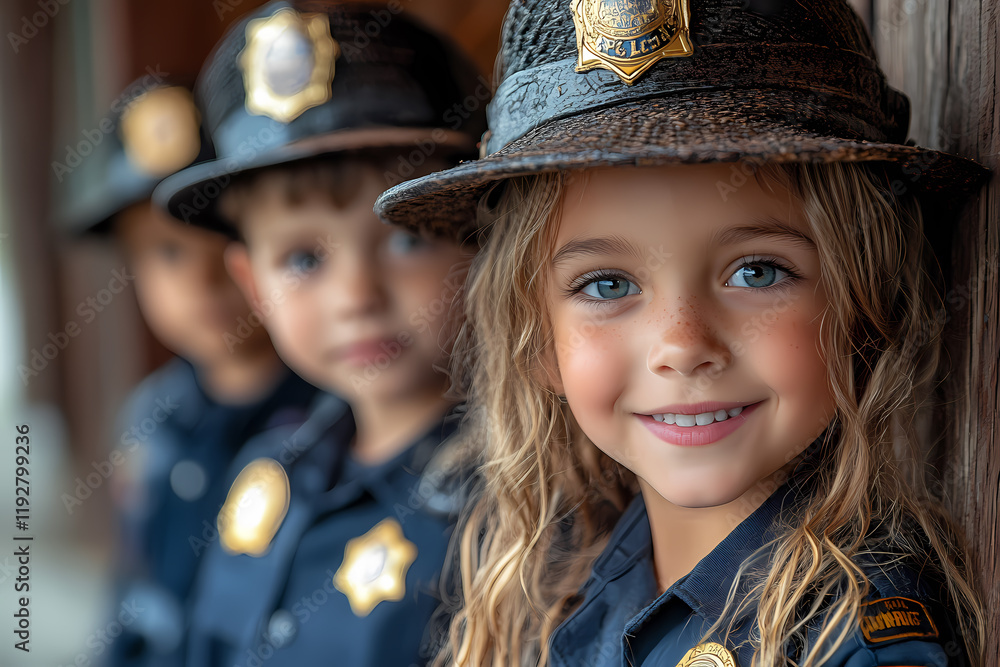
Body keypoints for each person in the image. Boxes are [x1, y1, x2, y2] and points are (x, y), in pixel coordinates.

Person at [374, 1, 989, 665]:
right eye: (607, 284)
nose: (684, 344)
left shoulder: (857, 644)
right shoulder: (564, 587)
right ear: (537, 340)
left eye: (757, 271)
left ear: (867, 302)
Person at [152, 2, 486, 665]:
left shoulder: (516, 511)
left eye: (408, 239)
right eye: (304, 259)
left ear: (484, 243)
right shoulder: (264, 473)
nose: (357, 298)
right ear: (254, 287)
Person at [57, 77, 320, 667]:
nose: (202, 280)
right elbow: (131, 596)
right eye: (166, 253)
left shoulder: (334, 417)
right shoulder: (150, 417)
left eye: (222, 238)